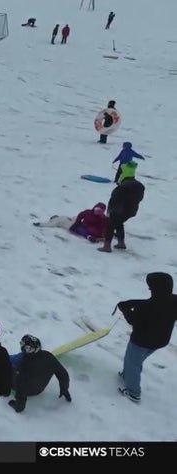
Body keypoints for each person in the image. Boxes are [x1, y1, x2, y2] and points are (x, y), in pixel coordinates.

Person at [114, 272, 177, 402]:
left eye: (150, 287)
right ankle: (128, 374)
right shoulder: (174, 300)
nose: (149, 289)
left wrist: (125, 309)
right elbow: (157, 303)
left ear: (153, 289)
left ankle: (133, 392)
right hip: (161, 340)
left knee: (133, 363)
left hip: (141, 341)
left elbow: (132, 320)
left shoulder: (144, 308)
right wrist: (133, 302)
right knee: (134, 360)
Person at [8, 335, 70, 413]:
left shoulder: (22, 365)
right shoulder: (49, 356)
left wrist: (19, 406)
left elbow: (21, 388)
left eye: (26, 348)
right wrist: (64, 388)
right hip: (39, 390)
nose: (23, 348)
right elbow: (62, 373)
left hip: (26, 391)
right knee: (18, 359)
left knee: (7, 365)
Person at [99, 169, 144, 252]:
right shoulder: (140, 186)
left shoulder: (122, 187)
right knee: (119, 223)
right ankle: (121, 243)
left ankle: (107, 246)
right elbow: (140, 198)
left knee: (110, 225)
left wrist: (110, 210)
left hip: (119, 210)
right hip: (131, 211)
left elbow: (114, 199)